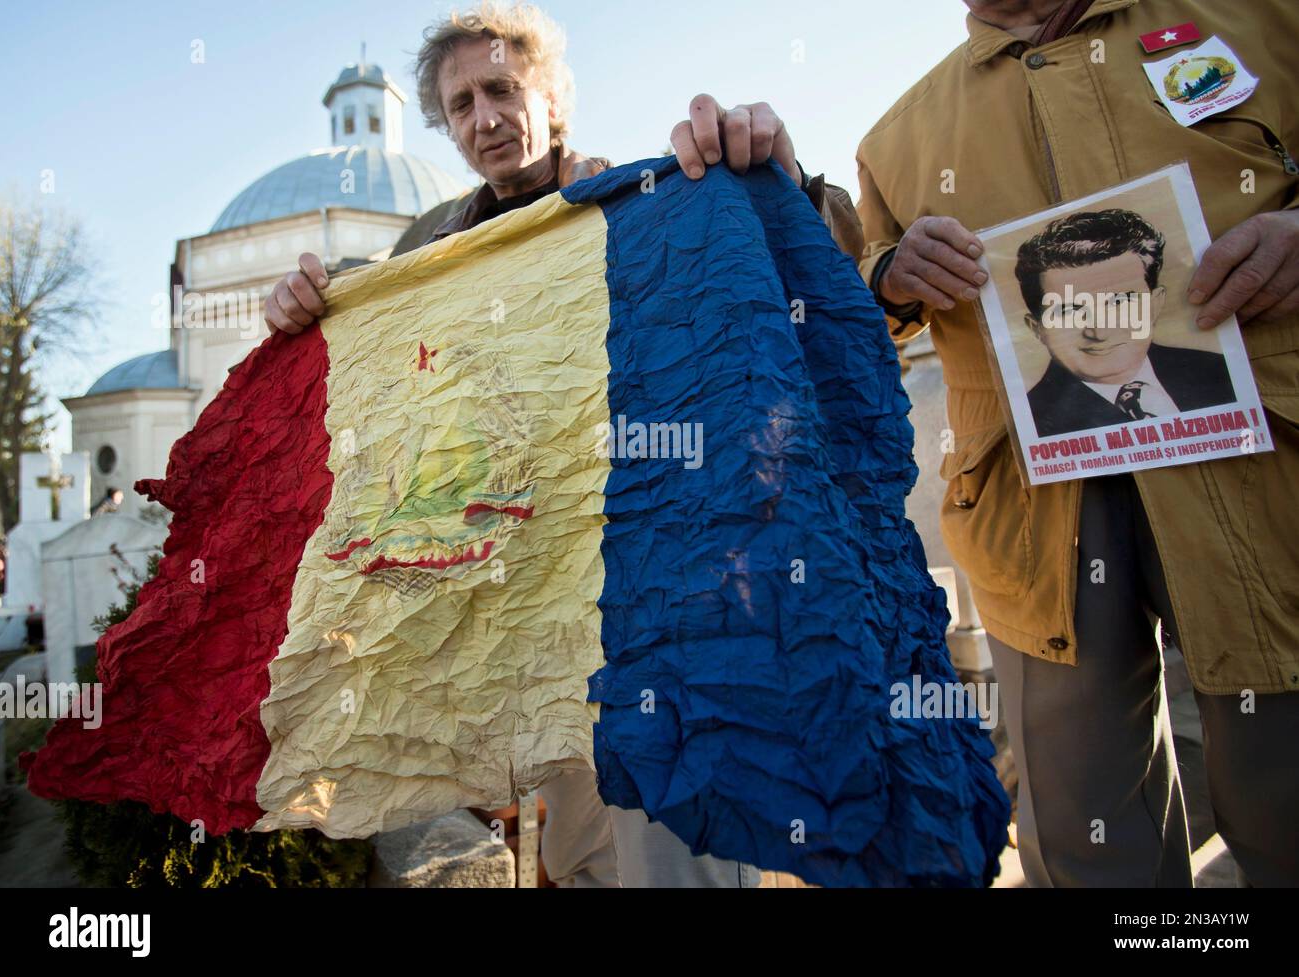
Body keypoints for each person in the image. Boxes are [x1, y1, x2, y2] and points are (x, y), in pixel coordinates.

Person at [264, 1, 860, 887]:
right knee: (583, 852)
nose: (484, 117)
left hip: (661, 581)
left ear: (551, 96)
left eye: (501, 87)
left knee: (677, 836)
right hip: (522, 599)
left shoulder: (654, 197)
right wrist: (303, 324)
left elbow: (811, 259)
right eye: (461, 103)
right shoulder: (427, 250)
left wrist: (780, 176)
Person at [845, 0, 1299, 887]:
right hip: (1034, 529)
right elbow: (860, 323)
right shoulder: (895, 141)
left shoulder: (1259, 19)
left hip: (1267, 489)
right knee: (1093, 844)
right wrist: (887, 277)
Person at [1017, 208, 1235, 435]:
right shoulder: (1031, 424)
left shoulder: (1220, 371)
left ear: (1155, 304)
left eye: (1119, 302)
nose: (1099, 332)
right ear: (1037, 329)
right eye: (1070, 311)